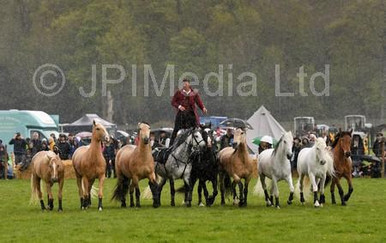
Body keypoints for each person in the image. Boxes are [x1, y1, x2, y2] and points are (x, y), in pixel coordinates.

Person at [170, 78, 207, 145]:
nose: (184, 85)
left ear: (189, 84)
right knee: (176, 130)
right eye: (183, 84)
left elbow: (199, 102)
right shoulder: (178, 92)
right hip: (181, 114)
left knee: (196, 129)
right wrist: (179, 106)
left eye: (186, 84)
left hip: (191, 114)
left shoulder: (194, 93)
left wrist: (203, 108)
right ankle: (171, 145)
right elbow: (173, 102)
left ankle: (202, 144)